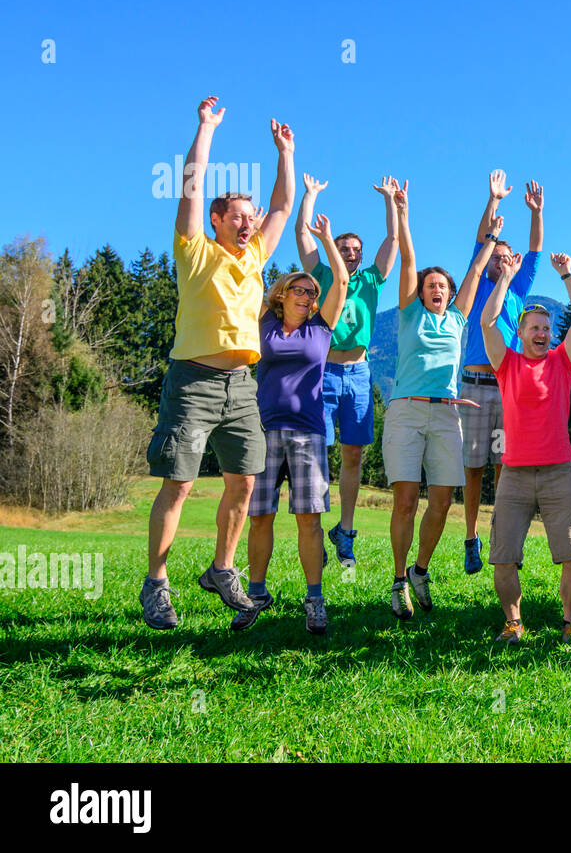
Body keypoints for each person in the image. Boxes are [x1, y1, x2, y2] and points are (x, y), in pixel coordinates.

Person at [141, 97, 296, 630]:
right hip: (193, 382)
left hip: (241, 387)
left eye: (250, 219)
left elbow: (282, 206)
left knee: (246, 482)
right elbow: (191, 182)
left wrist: (285, 155)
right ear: (216, 220)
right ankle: (156, 583)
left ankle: (221, 569)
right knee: (179, 484)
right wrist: (205, 128)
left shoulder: (255, 256)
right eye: (238, 217)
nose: (249, 225)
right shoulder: (195, 251)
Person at [384, 181, 498, 619]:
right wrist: (403, 213)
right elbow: (409, 259)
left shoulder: (457, 319)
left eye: (441, 286)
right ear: (419, 291)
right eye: (429, 285)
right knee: (406, 499)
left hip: (447, 414)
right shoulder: (411, 313)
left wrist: (491, 223)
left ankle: (420, 570)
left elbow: (473, 272)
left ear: (450, 294)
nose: (436, 289)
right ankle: (398, 581)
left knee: (443, 500)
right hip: (406, 411)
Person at [238, 205, 349, 634]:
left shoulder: (321, 329)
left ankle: (314, 600)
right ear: (282, 294)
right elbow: (250, 276)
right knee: (259, 516)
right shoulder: (264, 322)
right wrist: (252, 234)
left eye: (310, 293)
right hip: (263, 430)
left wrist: (325, 239)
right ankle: (255, 595)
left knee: (309, 519)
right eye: (297, 290)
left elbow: (340, 281)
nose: (305, 297)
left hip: (307, 434)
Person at [483, 250, 571, 646]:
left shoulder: (563, 361)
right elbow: (487, 321)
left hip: (559, 470)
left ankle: (569, 622)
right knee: (503, 555)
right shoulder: (507, 363)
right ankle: (513, 623)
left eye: (546, 327)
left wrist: (567, 274)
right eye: (534, 327)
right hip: (514, 472)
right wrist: (505, 277)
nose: (542, 333)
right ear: (523, 331)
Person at [294, 170, 397, 567]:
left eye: (355, 248)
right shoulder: (320, 275)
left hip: (359, 374)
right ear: (334, 250)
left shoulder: (371, 279)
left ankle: (346, 530)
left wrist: (390, 199)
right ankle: (315, 531)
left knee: (353, 455)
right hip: (322, 372)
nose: (351, 253)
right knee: (317, 452)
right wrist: (310, 195)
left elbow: (391, 242)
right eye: (344, 247)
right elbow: (303, 234)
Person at [458, 171, 544, 575]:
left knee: (505, 467)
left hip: (509, 388)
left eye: (505, 258)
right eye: (494, 256)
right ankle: (471, 538)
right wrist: (492, 201)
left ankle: (501, 538)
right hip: (474, 387)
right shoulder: (476, 288)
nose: (499, 261)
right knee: (473, 468)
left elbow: (536, 248)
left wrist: (536, 213)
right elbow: (480, 240)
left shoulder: (517, 291)